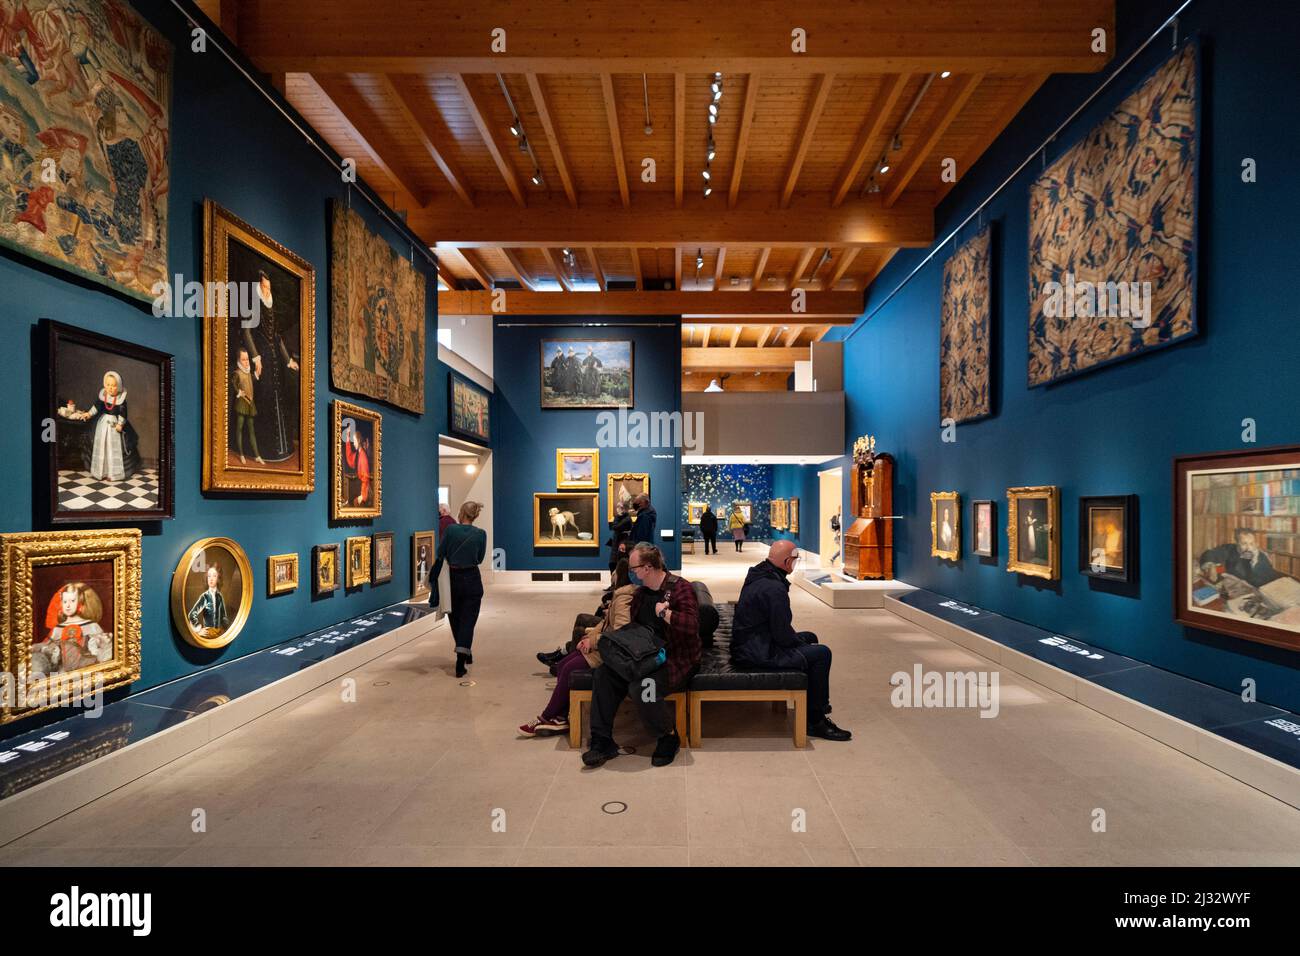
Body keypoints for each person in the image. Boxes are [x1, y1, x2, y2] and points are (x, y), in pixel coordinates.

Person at [583, 544, 700, 768]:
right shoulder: (640, 593)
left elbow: (692, 626)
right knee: (603, 675)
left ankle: (667, 736)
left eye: (634, 568)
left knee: (643, 687)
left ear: (648, 567)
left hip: (675, 658)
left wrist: (665, 613)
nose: (632, 572)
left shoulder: (680, 589)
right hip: (644, 654)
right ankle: (602, 740)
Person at [731, 540, 851, 742]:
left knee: (810, 638)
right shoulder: (774, 588)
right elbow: (782, 635)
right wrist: (799, 643)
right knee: (822, 653)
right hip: (758, 651)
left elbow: (778, 628)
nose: (795, 563)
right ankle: (816, 719)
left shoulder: (758, 574)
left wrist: (800, 640)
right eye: (795, 560)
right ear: (787, 562)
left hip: (750, 643)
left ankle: (813, 700)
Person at [520, 559, 636, 737]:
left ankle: (547, 716)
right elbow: (606, 624)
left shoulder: (624, 597)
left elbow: (621, 632)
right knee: (564, 664)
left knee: (568, 668)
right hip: (605, 644)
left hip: (611, 650)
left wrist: (594, 641)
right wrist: (589, 637)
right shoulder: (621, 595)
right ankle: (560, 716)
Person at [438, 501, 488, 677]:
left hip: (453, 578)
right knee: (468, 619)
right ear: (475, 516)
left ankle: (463, 653)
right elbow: (480, 558)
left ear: (461, 513)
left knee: (455, 618)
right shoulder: (481, 534)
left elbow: (440, 552)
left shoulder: (451, 530)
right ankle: (463, 656)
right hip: (472, 578)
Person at [1200, 529, 1282, 589]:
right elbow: (1210, 553)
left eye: (1251, 544)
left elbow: (1269, 580)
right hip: (1231, 586)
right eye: (1244, 544)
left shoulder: (1261, 557)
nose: (1248, 548)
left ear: (1255, 544)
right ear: (1237, 543)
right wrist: (1211, 566)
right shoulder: (1230, 548)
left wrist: (1254, 563)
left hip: (1254, 590)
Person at [607, 502, 633, 582]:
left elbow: (615, 527)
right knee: (612, 564)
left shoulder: (627, 518)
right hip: (616, 542)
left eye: (620, 507)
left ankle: (618, 583)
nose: (618, 509)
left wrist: (618, 517)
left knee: (619, 564)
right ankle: (613, 583)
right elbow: (615, 526)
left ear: (624, 508)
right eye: (617, 507)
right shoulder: (619, 517)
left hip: (623, 542)